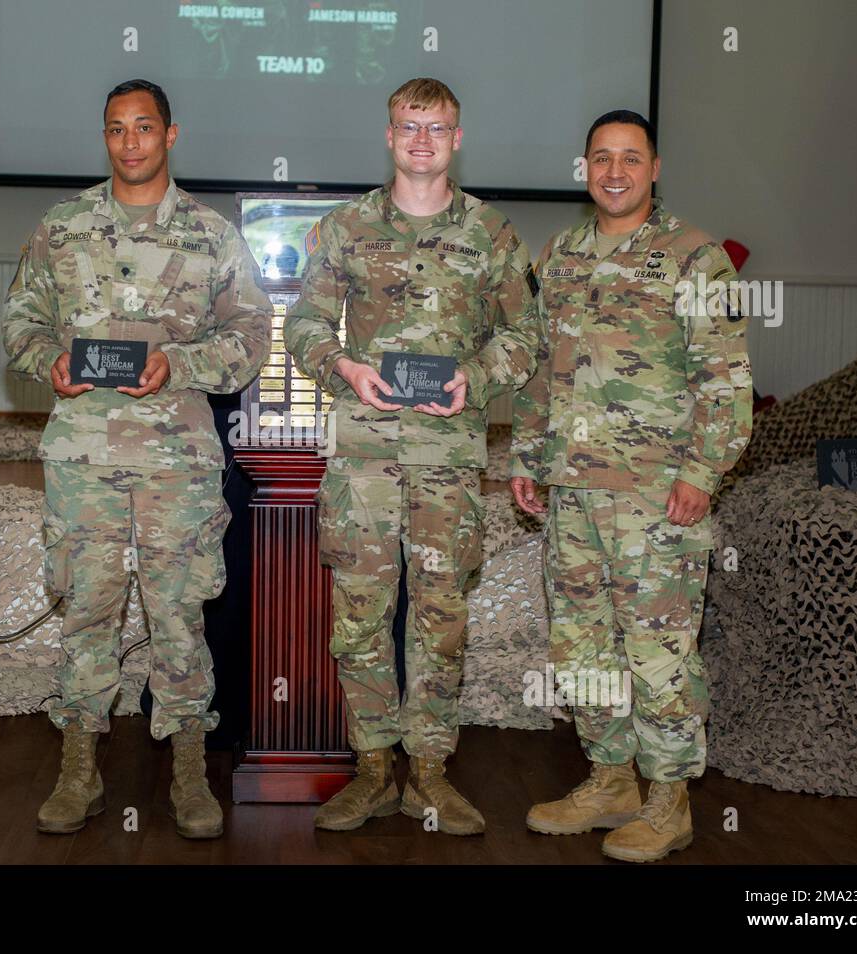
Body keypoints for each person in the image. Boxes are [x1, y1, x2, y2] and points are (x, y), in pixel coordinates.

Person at [2, 78, 271, 839]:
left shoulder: (212, 235)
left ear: (170, 135)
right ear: (106, 136)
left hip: (176, 461)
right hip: (83, 456)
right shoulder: (62, 227)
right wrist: (50, 360)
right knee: (86, 610)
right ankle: (79, 771)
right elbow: (20, 322)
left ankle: (189, 772)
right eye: (116, 128)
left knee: (179, 616)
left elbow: (251, 336)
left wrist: (176, 367)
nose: (130, 142)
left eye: (144, 128)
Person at [284, 77, 541, 835]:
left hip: (449, 462)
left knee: (440, 619)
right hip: (362, 460)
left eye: (436, 128)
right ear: (389, 134)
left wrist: (479, 376)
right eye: (408, 126)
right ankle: (371, 772)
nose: (421, 140)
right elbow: (302, 323)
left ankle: (429, 773)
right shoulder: (347, 227)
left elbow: (526, 337)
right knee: (360, 620)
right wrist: (345, 367)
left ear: (458, 139)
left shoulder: (491, 234)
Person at [510, 109, 753, 862]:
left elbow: (727, 382)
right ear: (583, 167)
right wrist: (527, 456)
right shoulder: (559, 256)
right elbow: (540, 371)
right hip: (574, 493)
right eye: (601, 157)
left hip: (657, 498)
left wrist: (701, 475)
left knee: (659, 651)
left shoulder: (693, 258)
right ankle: (610, 778)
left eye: (630, 158)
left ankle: (669, 799)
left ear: (654, 168)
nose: (614, 171)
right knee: (582, 644)